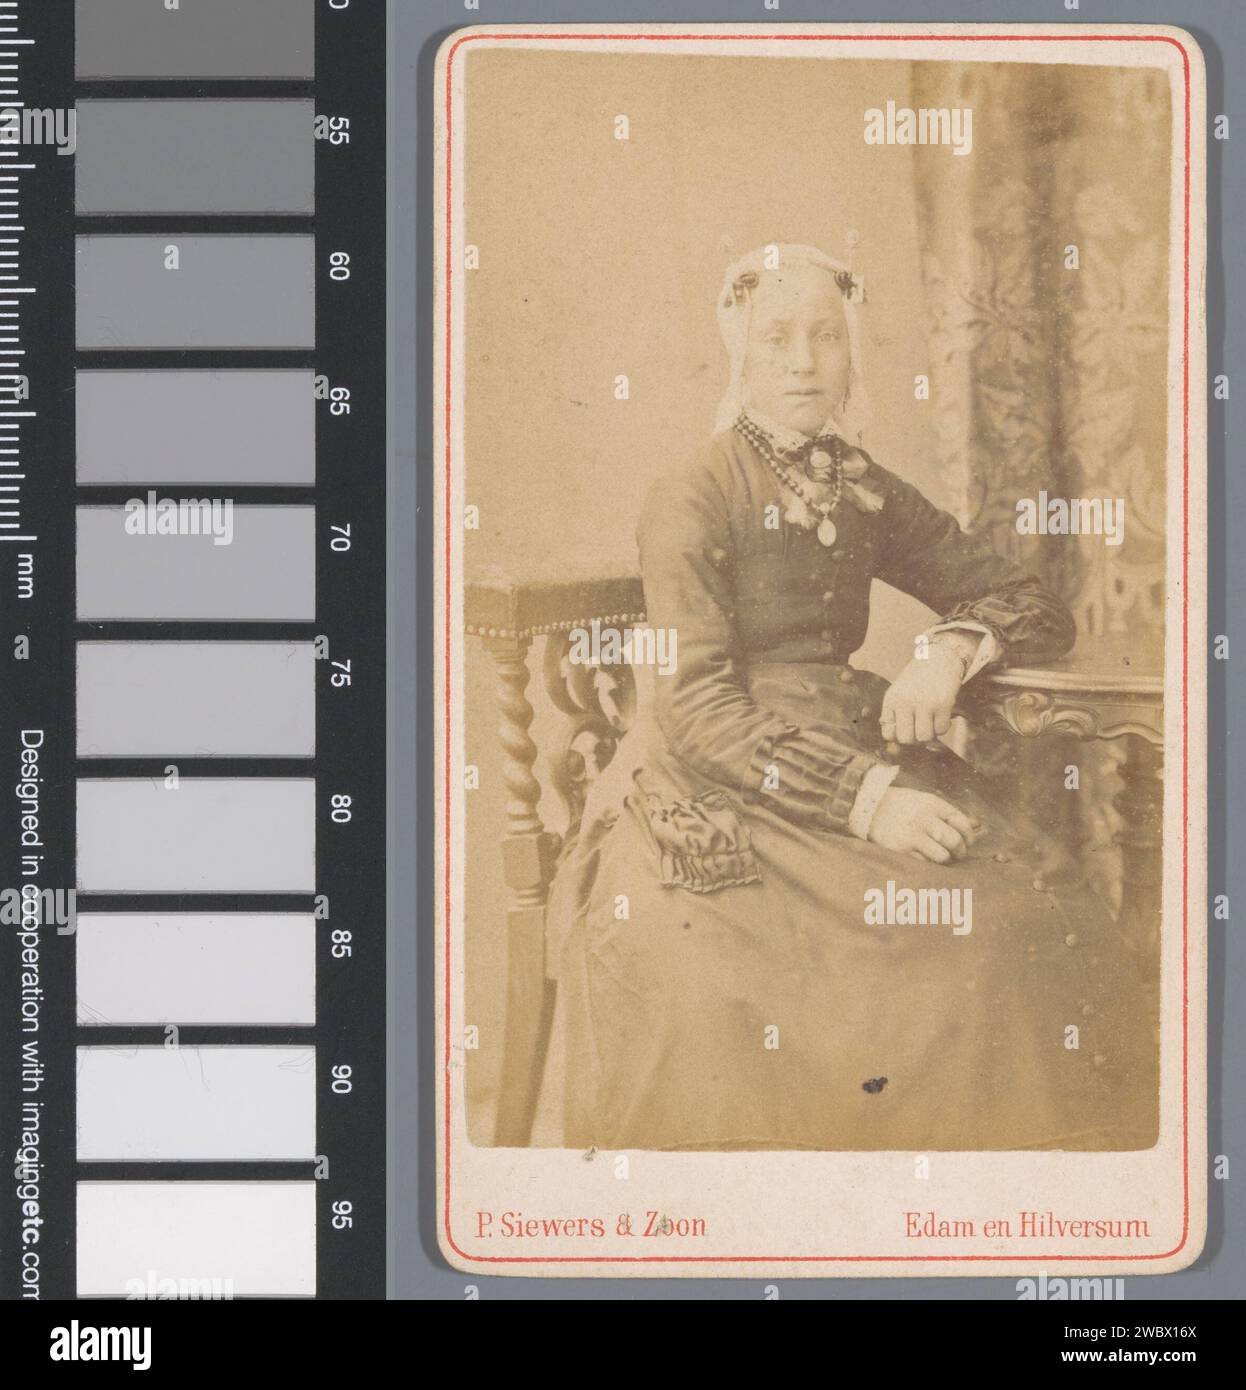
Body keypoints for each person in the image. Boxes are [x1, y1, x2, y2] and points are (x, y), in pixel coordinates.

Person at [545, 243, 1157, 1152]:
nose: (804, 362)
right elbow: (697, 705)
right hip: (723, 782)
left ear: (851, 353)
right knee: (884, 966)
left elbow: (1030, 600)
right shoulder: (691, 493)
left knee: (1015, 916)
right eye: (778, 337)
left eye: (827, 336)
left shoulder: (860, 486)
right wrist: (869, 803)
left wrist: (946, 653)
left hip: (855, 738)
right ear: (739, 353)